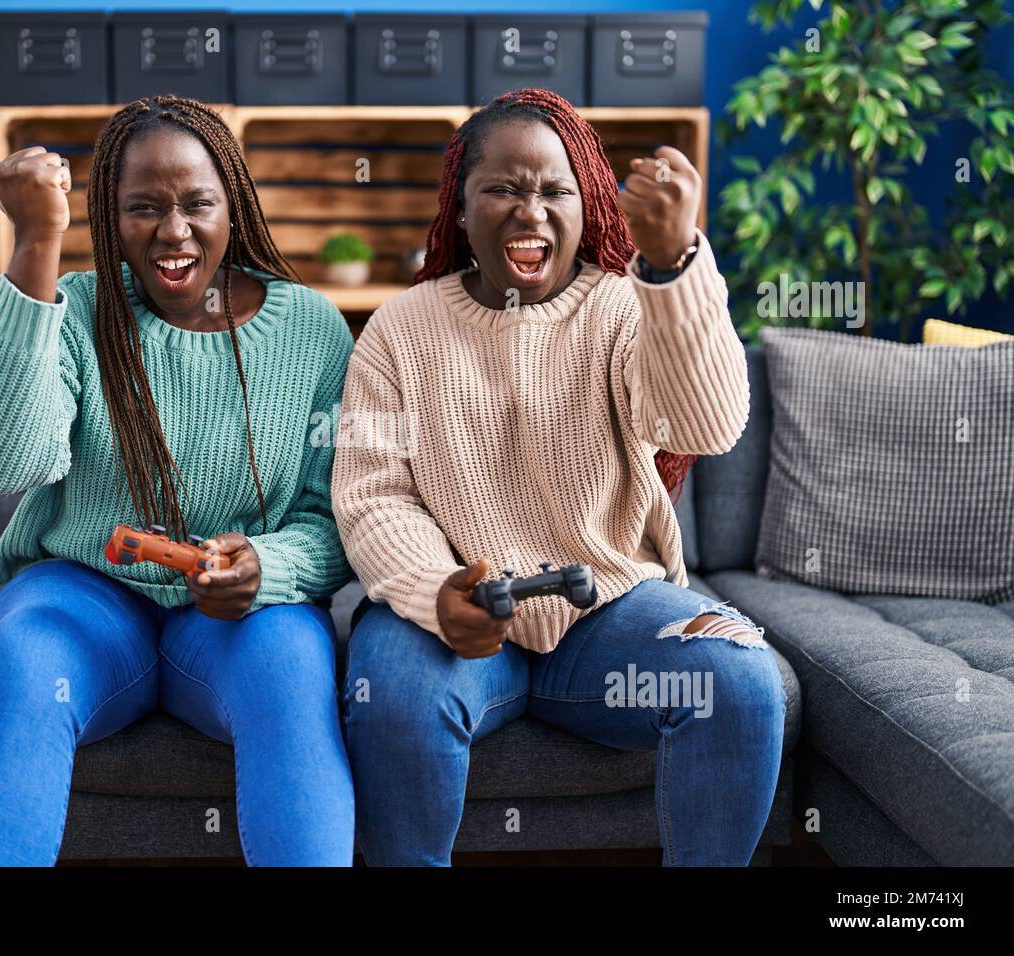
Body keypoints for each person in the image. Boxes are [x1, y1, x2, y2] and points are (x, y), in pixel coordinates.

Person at [332, 88, 787, 866]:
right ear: (461, 208)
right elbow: (374, 494)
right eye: (503, 189)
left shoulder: (618, 307)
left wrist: (673, 267)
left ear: (587, 208)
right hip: (458, 617)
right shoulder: (399, 329)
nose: (530, 210)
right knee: (397, 702)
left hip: (609, 609)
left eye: (554, 190)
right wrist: (436, 593)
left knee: (739, 681)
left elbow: (706, 426)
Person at [0, 95, 356, 866]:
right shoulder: (78, 311)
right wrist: (36, 245)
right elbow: (1, 463)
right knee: (26, 654)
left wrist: (272, 568)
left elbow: (336, 519)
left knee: (296, 671)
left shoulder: (312, 329)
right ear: (108, 216)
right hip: (84, 593)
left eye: (198, 202)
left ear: (235, 203)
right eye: (142, 207)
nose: (173, 231)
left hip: (242, 614)